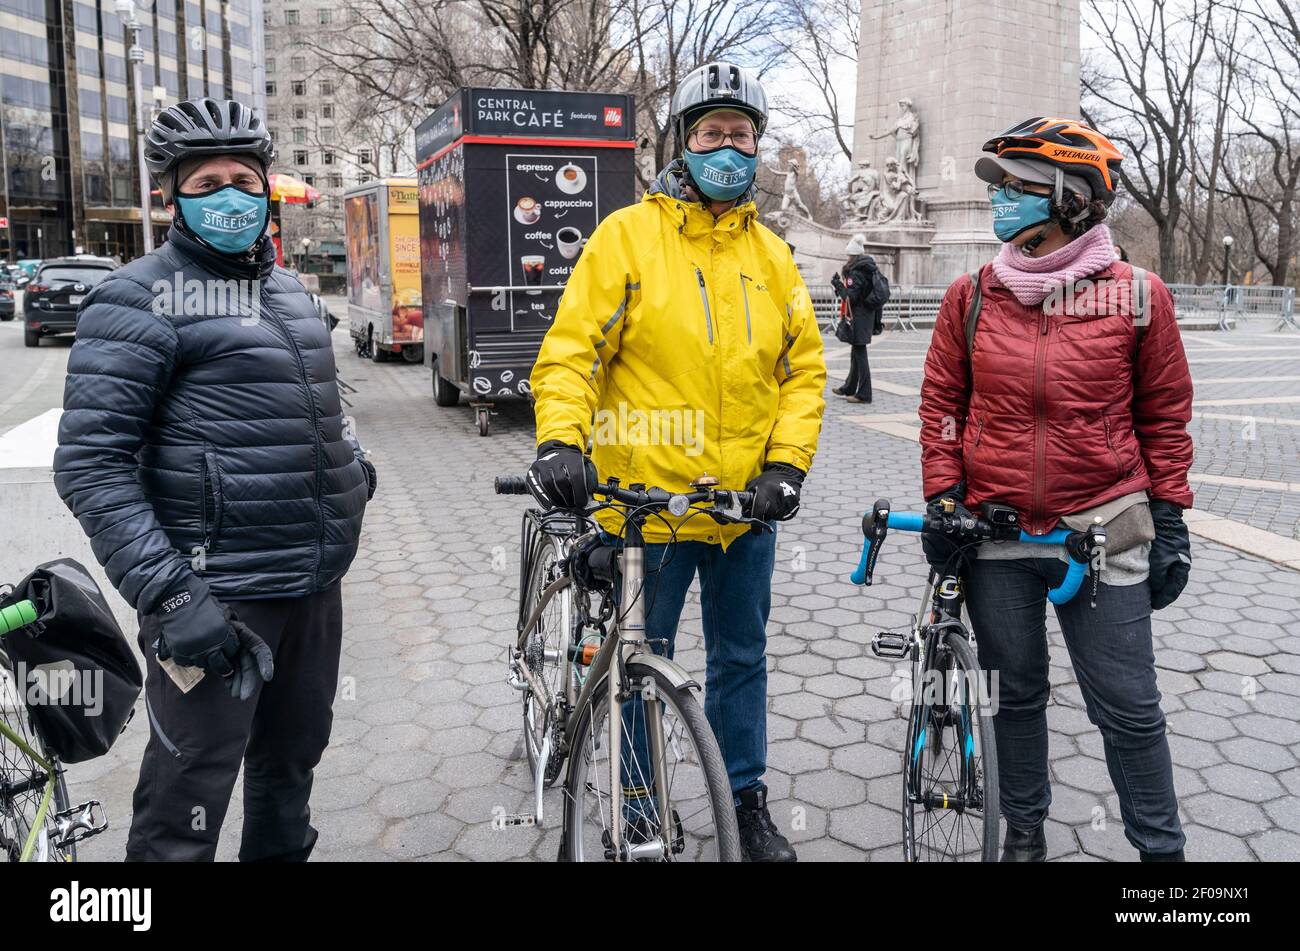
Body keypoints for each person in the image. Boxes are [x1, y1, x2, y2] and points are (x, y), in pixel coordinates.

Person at [54, 98, 376, 861]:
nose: (229, 194)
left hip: (311, 585)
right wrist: (168, 592)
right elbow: (92, 465)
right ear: (173, 197)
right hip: (212, 601)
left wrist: (352, 472)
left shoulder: (292, 296)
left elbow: (317, 412)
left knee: (290, 770)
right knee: (185, 798)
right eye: (206, 183)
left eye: (243, 178)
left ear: (267, 188)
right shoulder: (135, 298)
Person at [528, 61, 826, 862]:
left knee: (740, 659)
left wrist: (787, 467)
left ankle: (746, 800)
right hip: (641, 507)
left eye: (741, 135)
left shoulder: (774, 255)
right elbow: (571, 353)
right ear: (682, 145)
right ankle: (637, 801)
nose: (728, 148)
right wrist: (560, 439)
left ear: (758, 148)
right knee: (634, 661)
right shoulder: (628, 236)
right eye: (711, 133)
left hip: (742, 509)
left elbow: (803, 370)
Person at [918, 117, 1193, 862]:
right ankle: (1025, 836)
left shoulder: (1139, 297)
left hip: (1102, 532)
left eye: (1017, 187)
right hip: (996, 532)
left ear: (1071, 199)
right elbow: (943, 408)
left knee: (1130, 710)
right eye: (999, 186)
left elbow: (1164, 418)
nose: (1000, 201)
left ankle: (1163, 860)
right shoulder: (970, 295)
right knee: (1014, 698)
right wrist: (945, 497)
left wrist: (1169, 518)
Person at [831, 236, 889, 403]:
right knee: (856, 352)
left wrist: (838, 285)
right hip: (866, 315)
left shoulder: (855, 272)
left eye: (848, 256)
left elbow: (851, 298)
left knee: (860, 354)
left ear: (853, 256)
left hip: (859, 317)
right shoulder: (868, 268)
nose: (847, 259)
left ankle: (864, 394)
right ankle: (849, 386)